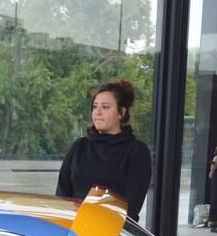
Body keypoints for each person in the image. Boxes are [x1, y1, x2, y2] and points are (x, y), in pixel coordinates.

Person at [55, 78, 152, 223]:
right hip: (72, 231)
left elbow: (131, 208)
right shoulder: (79, 147)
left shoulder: (136, 151)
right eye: (94, 107)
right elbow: (62, 196)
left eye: (105, 107)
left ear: (121, 112)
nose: (97, 112)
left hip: (113, 235)